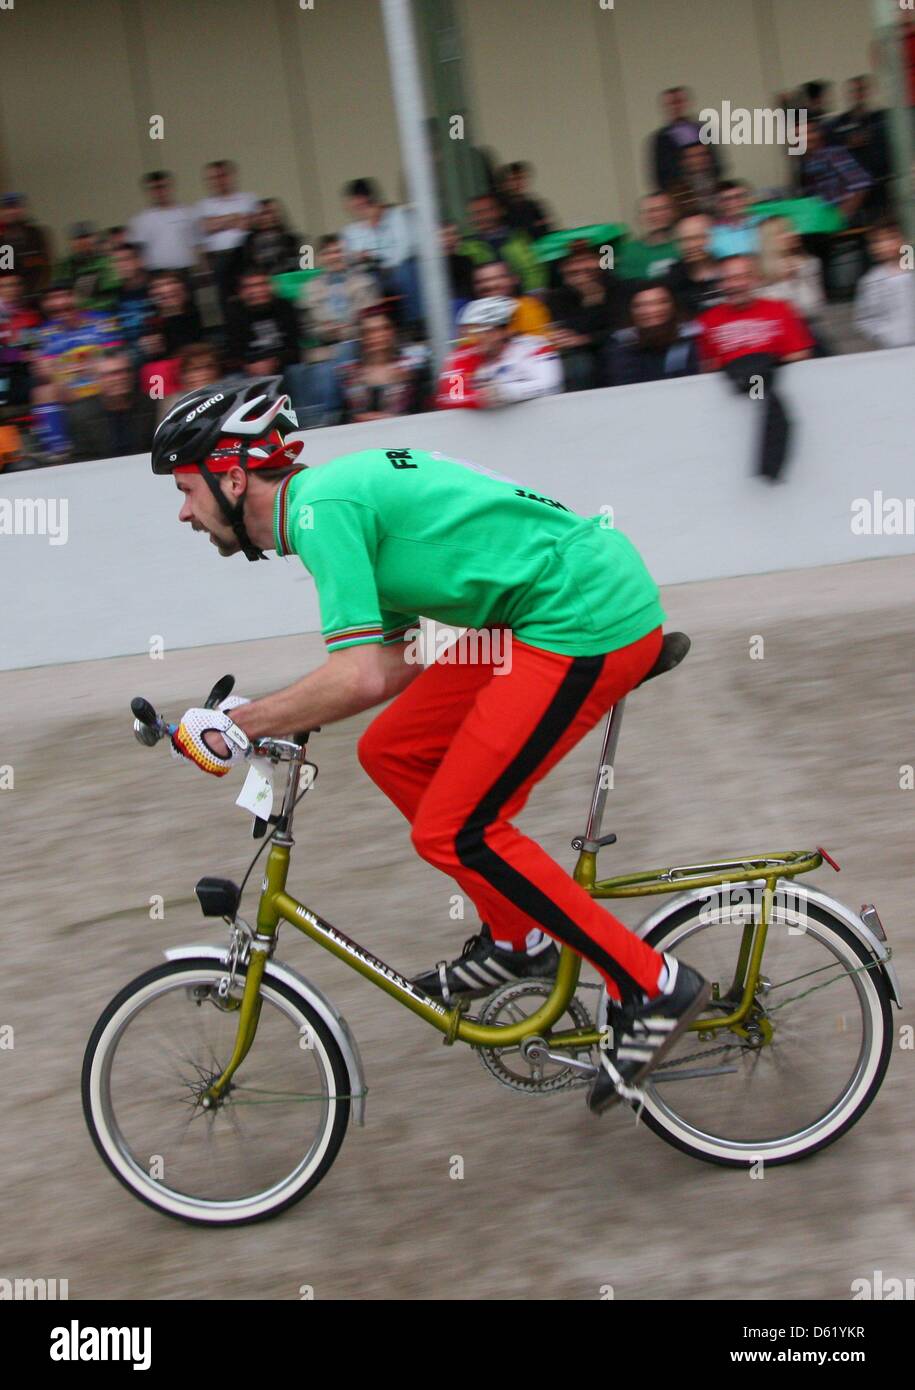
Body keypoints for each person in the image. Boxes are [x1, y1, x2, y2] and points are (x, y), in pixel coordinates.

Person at [150, 377, 712, 1113]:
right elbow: (385, 665)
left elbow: (353, 675)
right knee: (391, 751)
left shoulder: (322, 510)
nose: (184, 512)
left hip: (579, 618)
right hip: (531, 616)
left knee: (459, 828)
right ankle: (521, 943)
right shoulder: (326, 507)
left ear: (231, 475)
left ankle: (651, 984)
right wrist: (261, 715)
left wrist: (245, 725)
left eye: (187, 489)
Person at [436, 296, 560, 410]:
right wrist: (480, 397)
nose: (473, 338)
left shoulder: (535, 347)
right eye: (470, 332)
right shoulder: (462, 357)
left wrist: (505, 391)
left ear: (501, 331)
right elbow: (450, 398)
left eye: (480, 330)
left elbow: (551, 386)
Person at [696, 255, 814, 371]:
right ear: (719, 284)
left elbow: (800, 354)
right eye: (727, 279)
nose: (733, 285)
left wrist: (763, 367)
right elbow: (707, 369)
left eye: (740, 277)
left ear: (755, 280)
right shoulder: (707, 320)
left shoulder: (781, 309)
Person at [339, 309, 427, 422]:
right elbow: (342, 418)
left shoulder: (411, 367)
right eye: (370, 331)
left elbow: (423, 411)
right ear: (362, 337)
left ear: (392, 332)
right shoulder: (349, 374)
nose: (378, 335)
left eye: (384, 328)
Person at [67, 351, 156, 461]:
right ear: (97, 379)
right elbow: (79, 459)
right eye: (111, 374)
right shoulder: (81, 414)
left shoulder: (152, 406)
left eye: (126, 371)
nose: (121, 377)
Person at [197, 159, 259, 316]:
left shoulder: (248, 198)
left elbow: (248, 224)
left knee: (252, 294)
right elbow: (206, 227)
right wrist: (234, 218)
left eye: (222, 175)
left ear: (231, 175)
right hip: (220, 258)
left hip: (246, 255)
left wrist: (218, 222)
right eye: (214, 177)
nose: (219, 180)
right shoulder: (203, 205)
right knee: (227, 300)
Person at [605, 284, 700, 386]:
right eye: (642, 305)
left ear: (673, 306)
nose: (652, 310)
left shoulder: (690, 339)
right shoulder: (621, 346)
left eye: (661, 302)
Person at [460, 193, 547, 293]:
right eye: (475, 213)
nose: (480, 217)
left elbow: (533, 270)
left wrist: (534, 291)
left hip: (523, 297)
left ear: (500, 211)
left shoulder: (519, 238)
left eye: (484, 211)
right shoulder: (467, 246)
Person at [853, 219, 915, 348]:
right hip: (894, 346)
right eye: (879, 241)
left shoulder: (910, 272)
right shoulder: (870, 281)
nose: (886, 245)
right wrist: (885, 335)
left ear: (902, 240)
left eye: (891, 238)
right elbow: (865, 318)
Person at [224, 269, 299, 375]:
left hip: (286, 365)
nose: (258, 290)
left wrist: (275, 361)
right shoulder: (235, 313)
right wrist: (249, 366)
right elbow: (234, 352)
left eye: (262, 284)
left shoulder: (284, 306)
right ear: (241, 292)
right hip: (250, 369)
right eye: (251, 286)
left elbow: (295, 344)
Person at [649, 86, 723, 191]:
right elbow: (659, 175)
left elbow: (717, 164)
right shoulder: (661, 139)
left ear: (686, 103)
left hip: (708, 189)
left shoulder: (703, 130)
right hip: (678, 194)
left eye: (679, 102)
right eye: (671, 103)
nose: (676, 107)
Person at [128, 171, 200, 274]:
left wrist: (202, 271)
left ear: (171, 187)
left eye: (162, 186)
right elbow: (137, 253)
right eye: (154, 188)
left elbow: (197, 245)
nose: (159, 192)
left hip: (186, 270)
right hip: (156, 274)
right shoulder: (140, 221)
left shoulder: (188, 213)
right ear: (147, 192)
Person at [663, 214, 723, 319]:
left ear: (712, 237)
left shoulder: (729, 270)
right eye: (683, 240)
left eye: (696, 238)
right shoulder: (672, 279)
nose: (690, 245)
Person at [615, 193, 680, 280]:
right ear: (639, 218)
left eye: (663, 209)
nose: (658, 215)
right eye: (651, 211)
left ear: (674, 213)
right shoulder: (627, 251)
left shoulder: (685, 244)